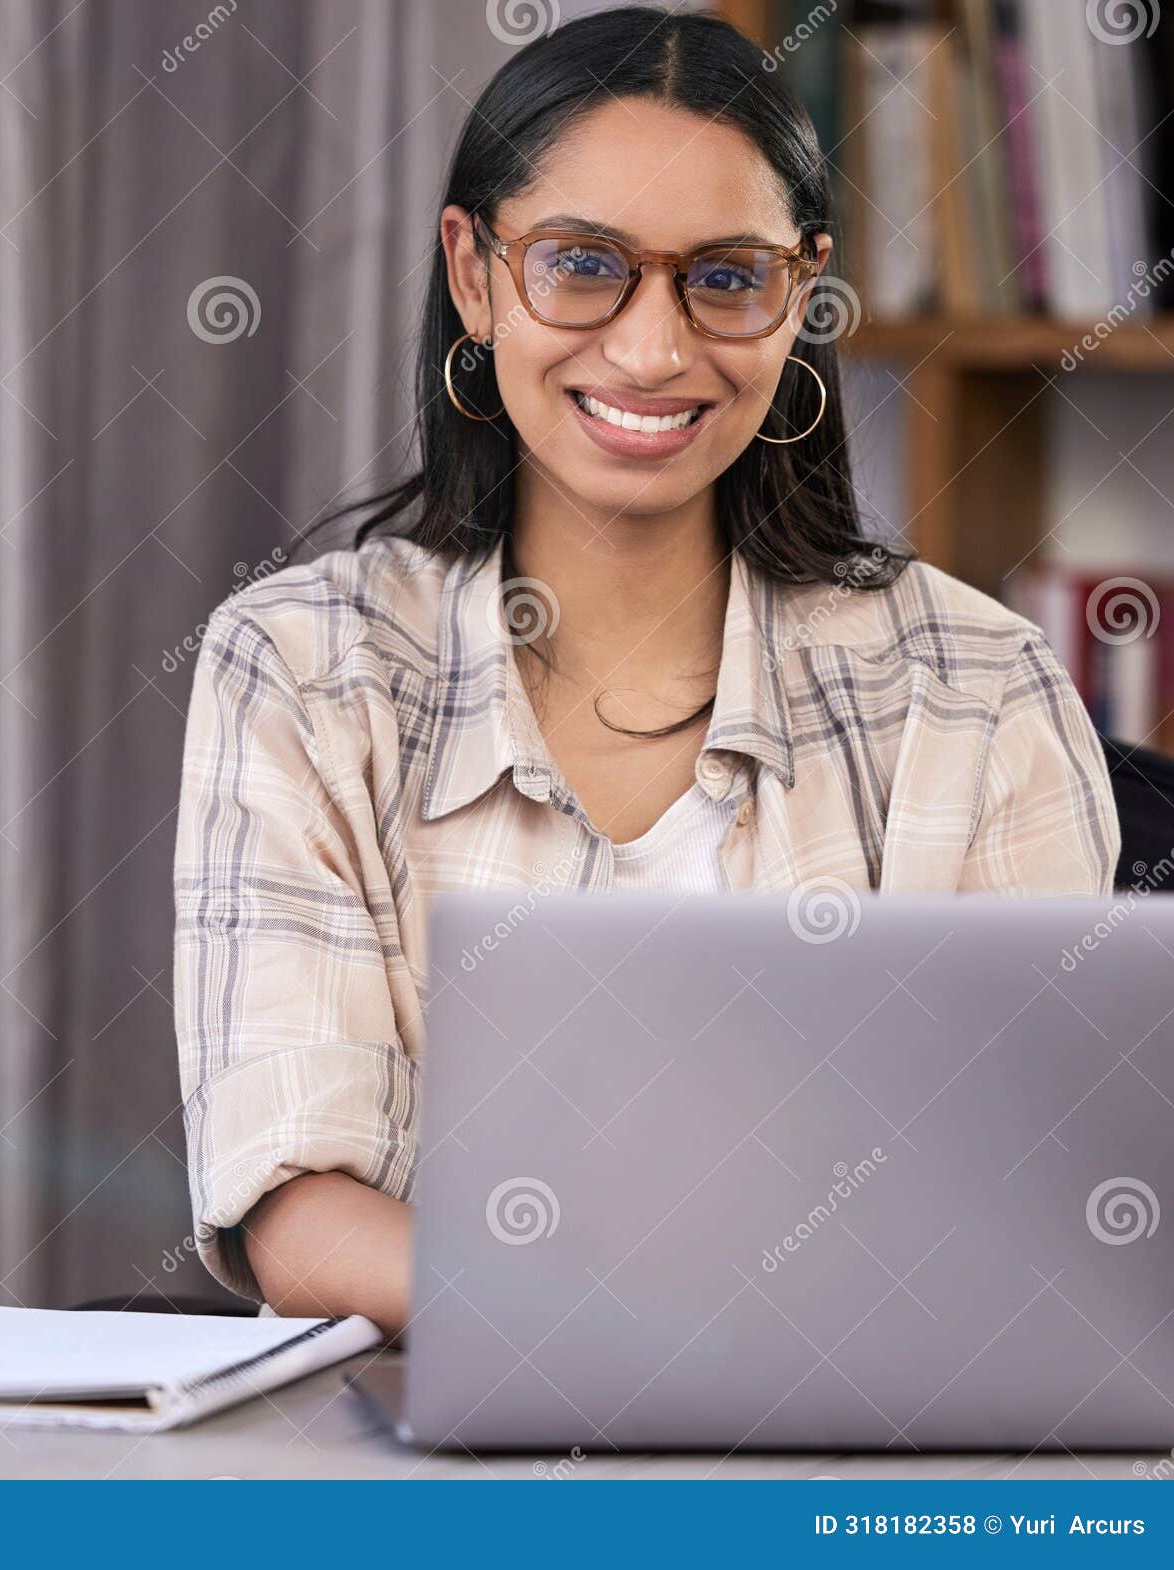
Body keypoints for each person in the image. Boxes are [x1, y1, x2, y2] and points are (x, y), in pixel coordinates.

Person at [171, 5, 1119, 1338]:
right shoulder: (304, 668)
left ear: (802, 293)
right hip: (445, 1434)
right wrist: (623, 1326)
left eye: (725, 277)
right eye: (582, 265)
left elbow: (1035, 1196)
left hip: (853, 1433)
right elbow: (296, 1207)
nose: (654, 350)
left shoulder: (980, 688)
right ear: (475, 274)